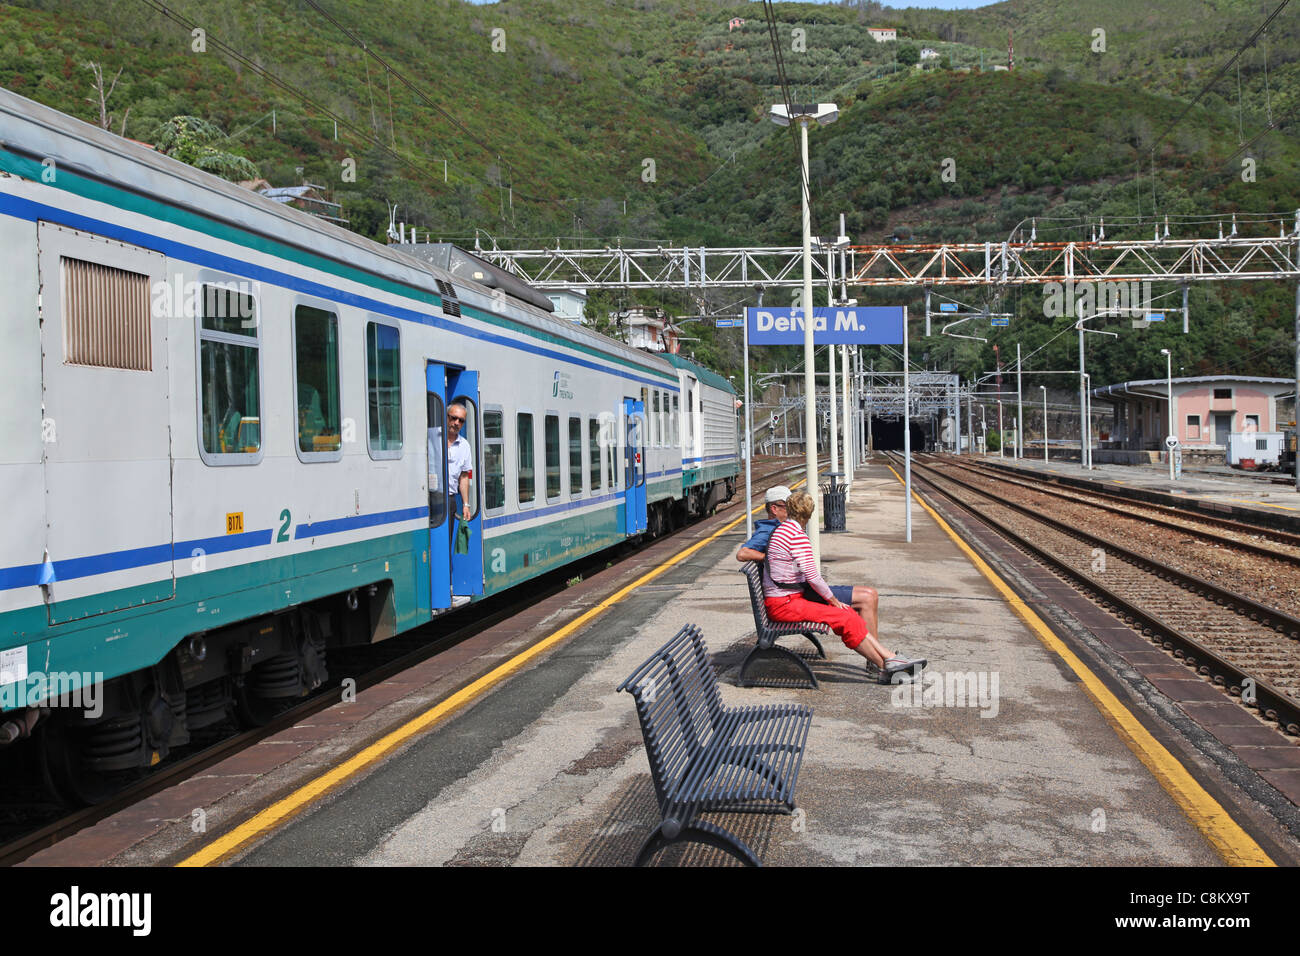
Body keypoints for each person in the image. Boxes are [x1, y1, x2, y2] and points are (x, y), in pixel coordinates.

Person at [760, 490, 925, 684]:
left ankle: (889, 660)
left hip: (786, 599)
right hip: (785, 604)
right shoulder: (796, 535)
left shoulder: (784, 530)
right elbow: (812, 576)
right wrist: (833, 600)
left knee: (848, 615)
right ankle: (886, 664)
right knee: (845, 616)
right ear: (810, 513)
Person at [737, 485, 880, 639]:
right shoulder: (770, 530)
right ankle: (879, 658)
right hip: (794, 595)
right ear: (774, 509)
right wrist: (771, 558)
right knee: (867, 598)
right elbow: (742, 553)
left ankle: (878, 656)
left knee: (870, 595)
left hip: (799, 589)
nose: (793, 510)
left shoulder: (785, 528)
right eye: (787, 506)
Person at [428, 403, 473, 522]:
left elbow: (464, 477)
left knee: (446, 538)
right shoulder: (430, 435)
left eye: (461, 420)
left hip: (449, 500)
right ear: (446, 417)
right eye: (453, 418)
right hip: (429, 498)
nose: (457, 423)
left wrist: (466, 505)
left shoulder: (465, 446)